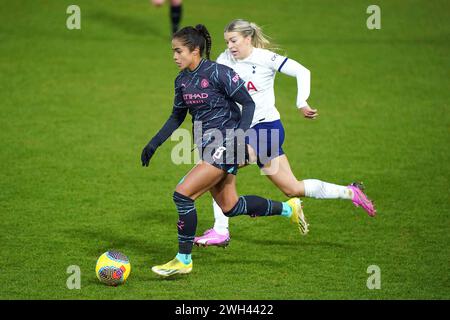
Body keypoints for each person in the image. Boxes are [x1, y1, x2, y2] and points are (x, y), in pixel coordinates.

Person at [141, 24, 308, 277]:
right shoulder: (182, 80)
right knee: (230, 206)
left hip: (226, 143)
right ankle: (288, 209)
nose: (174, 56)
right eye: (173, 51)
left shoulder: (219, 72)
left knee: (183, 195)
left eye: (178, 51)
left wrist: (238, 139)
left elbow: (248, 103)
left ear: (195, 50)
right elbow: (176, 117)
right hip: (207, 145)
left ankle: (183, 260)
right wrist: (154, 143)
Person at [194, 19, 376, 247]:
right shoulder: (225, 59)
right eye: (227, 41)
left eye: (234, 40)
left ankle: (221, 231)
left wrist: (302, 102)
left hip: (266, 130)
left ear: (248, 39)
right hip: (246, 131)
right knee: (292, 187)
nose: (230, 46)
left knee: (220, 162)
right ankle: (350, 192)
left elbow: (302, 71)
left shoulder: (264, 58)